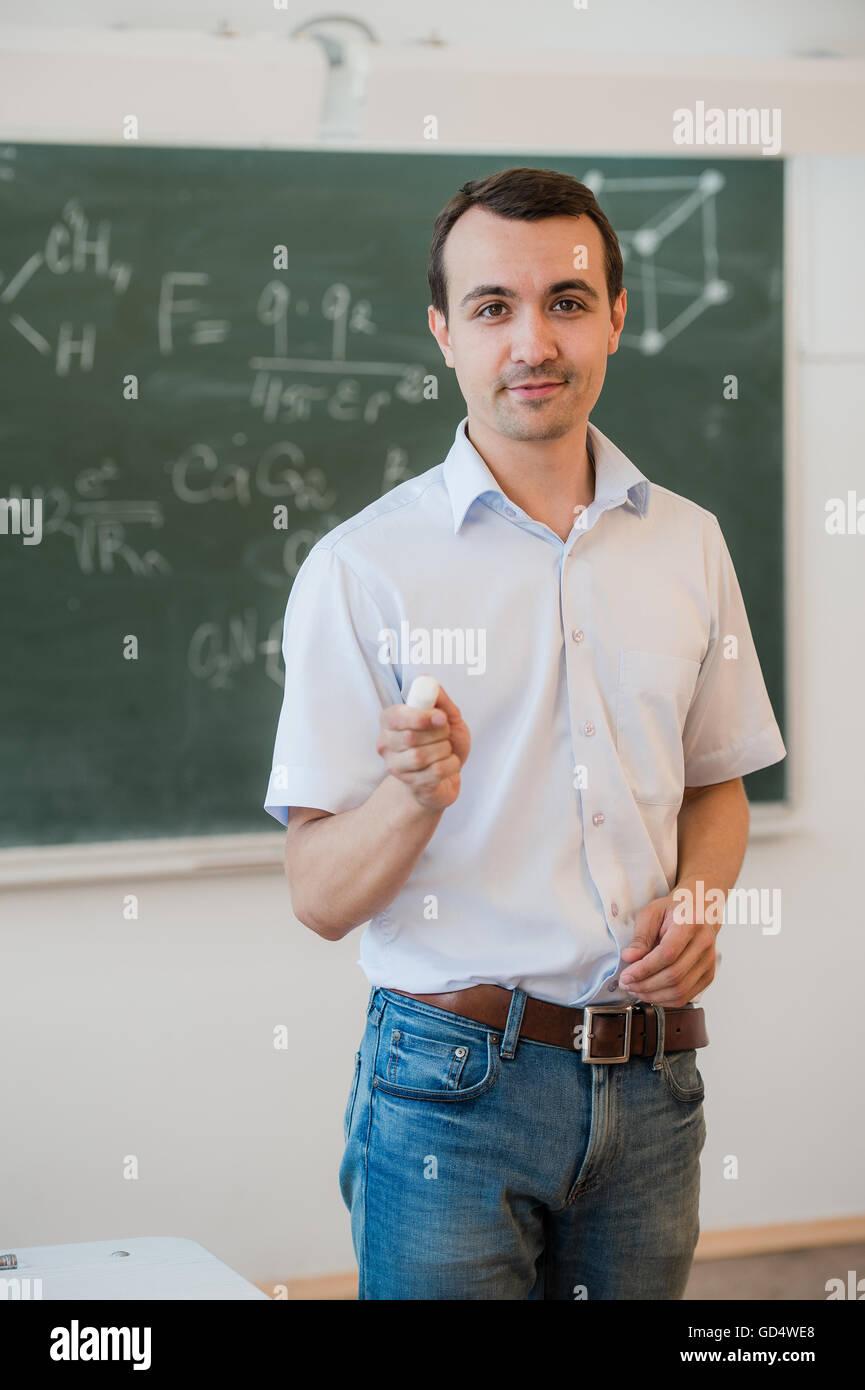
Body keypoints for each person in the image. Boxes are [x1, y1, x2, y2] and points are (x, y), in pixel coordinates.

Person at [263, 166, 786, 1300]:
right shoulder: (362, 569)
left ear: (615, 318)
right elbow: (318, 895)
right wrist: (411, 798)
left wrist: (701, 901)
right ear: (445, 333)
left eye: (567, 301)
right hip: (449, 1092)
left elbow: (716, 782)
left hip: (654, 1080)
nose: (532, 342)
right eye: (493, 307)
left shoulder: (689, 544)